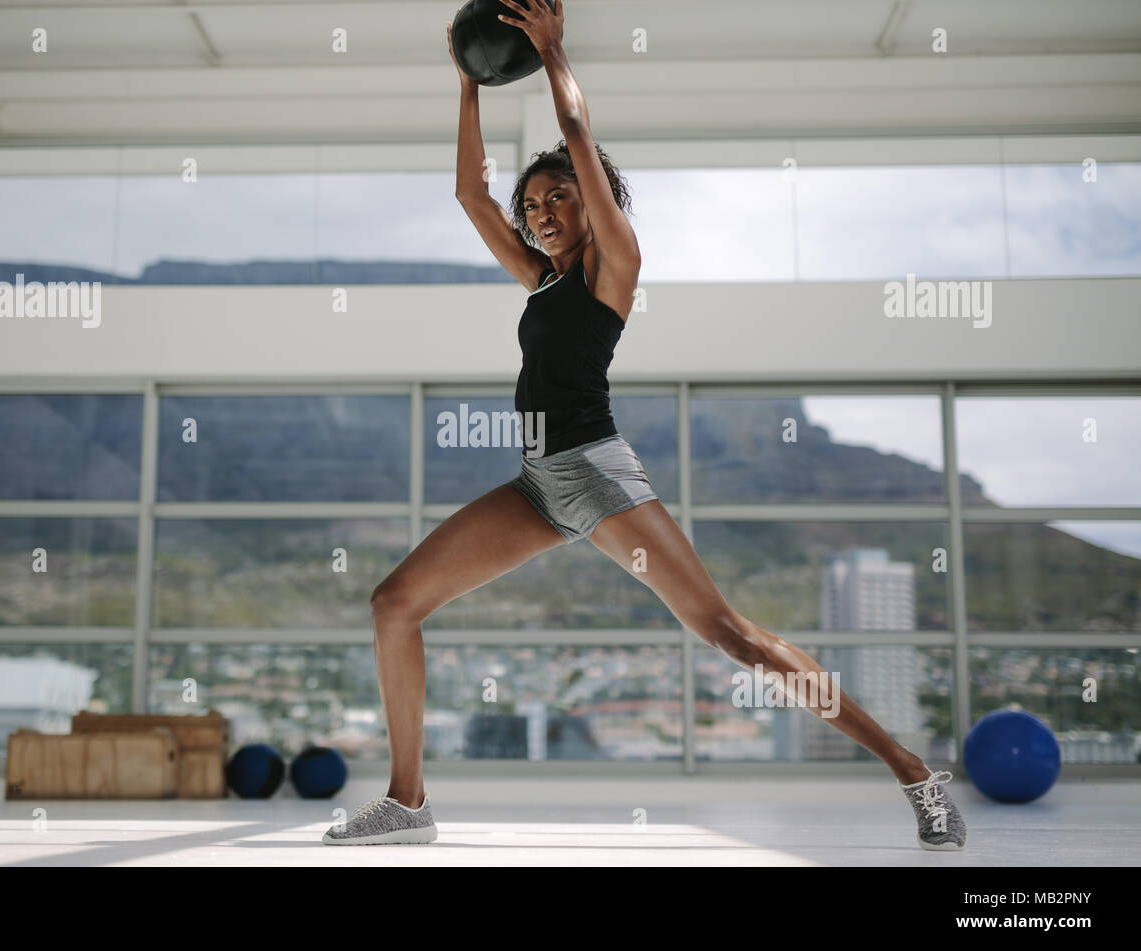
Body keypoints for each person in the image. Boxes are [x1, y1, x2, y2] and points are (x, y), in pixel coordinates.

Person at [323, 0, 967, 850]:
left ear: (594, 208)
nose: (544, 210)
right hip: (538, 486)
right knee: (394, 602)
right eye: (534, 203)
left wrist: (552, 55)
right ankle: (408, 801)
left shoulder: (612, 267)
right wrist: (468, 82)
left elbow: (579, 133)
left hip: (595, 472)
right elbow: (467, 195)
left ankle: (913, 773)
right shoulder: (541, 280)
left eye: (560, 197)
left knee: (733, 637)